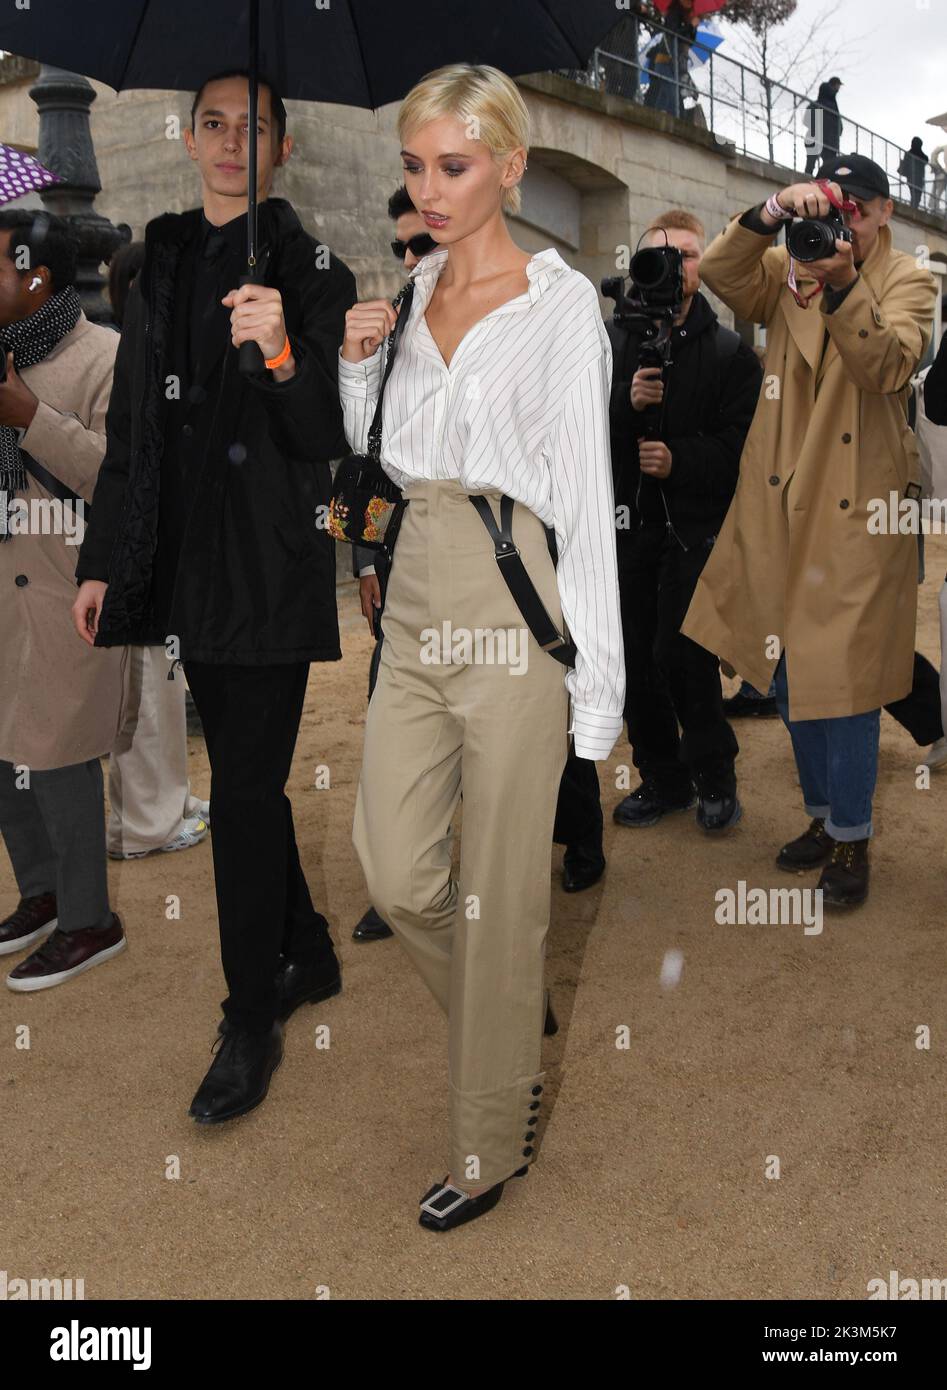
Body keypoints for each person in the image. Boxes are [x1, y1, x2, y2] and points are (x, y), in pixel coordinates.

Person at [339, 64, 624, 1230]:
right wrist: (361, 365)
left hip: (513, 601)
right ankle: (503, 1008)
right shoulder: (407, 293)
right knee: (396, 868)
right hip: (411, 599)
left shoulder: (561, 308)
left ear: (508, 165)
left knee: (501, 897)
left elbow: (584, 499)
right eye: (414, 166)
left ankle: (483, 1143)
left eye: (451, 165)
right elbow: (384, 454)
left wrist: (594, 702)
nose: (430, 188)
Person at [73, 71, 357, 1121]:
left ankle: (249, 1012)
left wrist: (282, 353)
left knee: (238, 791)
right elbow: (133, 432)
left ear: (283, 148)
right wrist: (103, 559)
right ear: (189, 139)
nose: (234, 142)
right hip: (189, 565)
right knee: (248, 781)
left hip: (273, 566)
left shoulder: (313, 269)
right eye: (216, 124)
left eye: (256, 127)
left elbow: (330, 433)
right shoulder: (157, 265)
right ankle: (311, 949)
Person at [681, 153, 937, 908]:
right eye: (826, 205)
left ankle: (852, 837)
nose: (839, 219)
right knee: (790, 676)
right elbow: (722, 274)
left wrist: (844, 283)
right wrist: (767, 215)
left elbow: (888, 367)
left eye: (854, 205)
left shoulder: (908, 281)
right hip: (779, 501)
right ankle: (824, 820)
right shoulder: (784, 264)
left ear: (884, 211)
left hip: (859, 511)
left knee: (847, 686)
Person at [0, 210, 127, 990]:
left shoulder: (107, 357)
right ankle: (40, 893)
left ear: (35, 278)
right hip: (3, 587)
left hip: (67, 584)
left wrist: (30, 418)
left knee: (60, 757)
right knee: (6, 754)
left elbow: (121, 481)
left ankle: (90, 921)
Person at [609, 209, 762, 833]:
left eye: (689, 254)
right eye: (661, 253)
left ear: (704, 267)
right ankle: (662, 777)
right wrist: (626, 402)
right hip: (623, 527)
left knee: (683, 653)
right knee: (631, 660)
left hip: (696, 529)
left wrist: (679, 459)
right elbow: (570, 433)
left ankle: (714, 776)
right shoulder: (611, 341)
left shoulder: (731, 354)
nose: (675, 265)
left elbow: (740, 450)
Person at [103, 239, 211, 860]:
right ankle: (147, 825)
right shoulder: (132, 356)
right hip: (137, 554)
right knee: (144, 696)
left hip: (155, 553)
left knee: (160, 694)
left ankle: (162, 805)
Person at [349, 185, 436, 944]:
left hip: (498, 577)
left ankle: (574, 834)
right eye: (399, 249)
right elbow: (365, 459)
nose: (408, 261)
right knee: (391, 727)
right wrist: (365, 561)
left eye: (422, 247)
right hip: (402, 568)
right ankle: (395, 880)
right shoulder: (392, 324)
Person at [803, 78, 843, 176]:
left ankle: (807, 179)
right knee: (828, 168)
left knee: (811, 166)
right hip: (829, 143)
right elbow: (840, 128)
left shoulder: (815, 105)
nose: (838, 89)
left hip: (817, 139)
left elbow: (806, 120)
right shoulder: (833, 109)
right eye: (837, 86)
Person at [899, 138, 928, 212]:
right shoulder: (923, 156)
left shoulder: (909, 153)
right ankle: (914, 208)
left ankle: (913, 208)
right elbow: (925, 161)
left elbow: (906, 163)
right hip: (918, 179)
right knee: (916, 195)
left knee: (915, 195)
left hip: (912, 177)